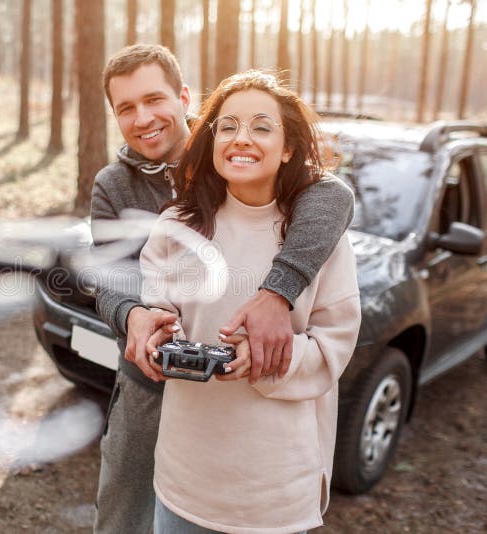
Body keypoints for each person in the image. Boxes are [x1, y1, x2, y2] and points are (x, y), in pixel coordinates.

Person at [91, 45, 355, 534]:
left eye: (154, 99)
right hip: (163, 404)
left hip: (268, 462)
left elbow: (333, 193)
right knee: (123, 515)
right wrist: (138, 317)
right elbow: (114, 281)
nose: (142, 118)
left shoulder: (297, 200)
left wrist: (276, 299)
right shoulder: (124, 191)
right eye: (126, 107)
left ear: (185, 99)